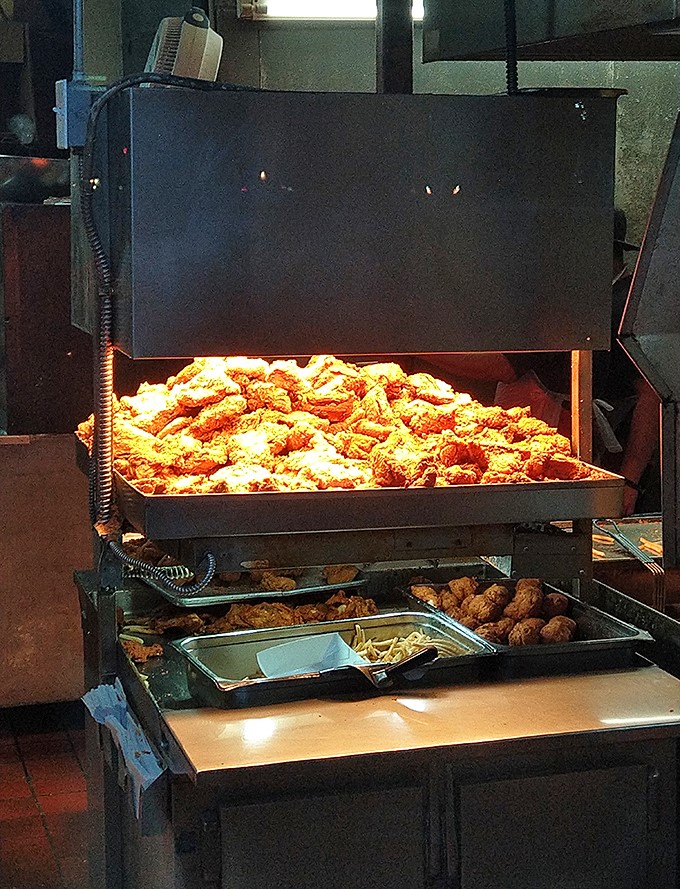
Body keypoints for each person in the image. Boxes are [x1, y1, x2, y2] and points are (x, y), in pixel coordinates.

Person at [495, 208, 660, 515]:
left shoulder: (625, 306)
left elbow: (651, 394)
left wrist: (629, 481)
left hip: (615, 460)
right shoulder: (584, 299)